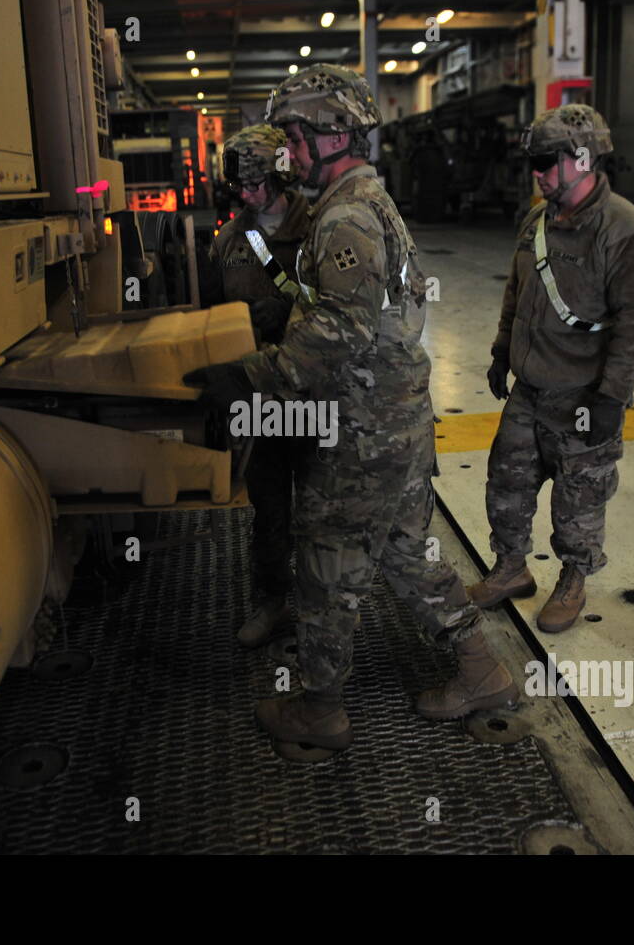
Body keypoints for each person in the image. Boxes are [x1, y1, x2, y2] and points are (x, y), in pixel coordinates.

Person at [185, 65, 520, 755]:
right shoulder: (364, 202)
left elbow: (336, 334)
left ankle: (320, 708)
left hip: (362, 431)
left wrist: (246, 378)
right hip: (392, 421)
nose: (290, 155)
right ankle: (482, 669)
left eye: (297, 138)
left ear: (333, 135)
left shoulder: (344, 216)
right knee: (404, 553)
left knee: (326, 562)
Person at [470, 104, 634, 632]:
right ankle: (511, 568)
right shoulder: (537, 222)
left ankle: (573, 580)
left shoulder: (628, 233)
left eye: (545, 160)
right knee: (505, 485)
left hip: (583, 398)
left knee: (578, 504)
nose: (535, 172)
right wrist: (500, 352)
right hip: (530, 389)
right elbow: (518, 293)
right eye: (531, 161)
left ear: (583, 159)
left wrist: (612, 398)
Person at [202, 125, 312, 649]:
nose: (247, 195)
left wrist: (289, 308)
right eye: (239, 187)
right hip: (263, 400)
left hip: (317, 395)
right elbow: (208, 318)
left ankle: (324, 610)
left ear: (283, 174)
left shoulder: (319, 228)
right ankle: (271, 602)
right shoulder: (229, 240)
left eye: (257, 184)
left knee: (323, 510)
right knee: (269, 510)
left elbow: (357, 305)